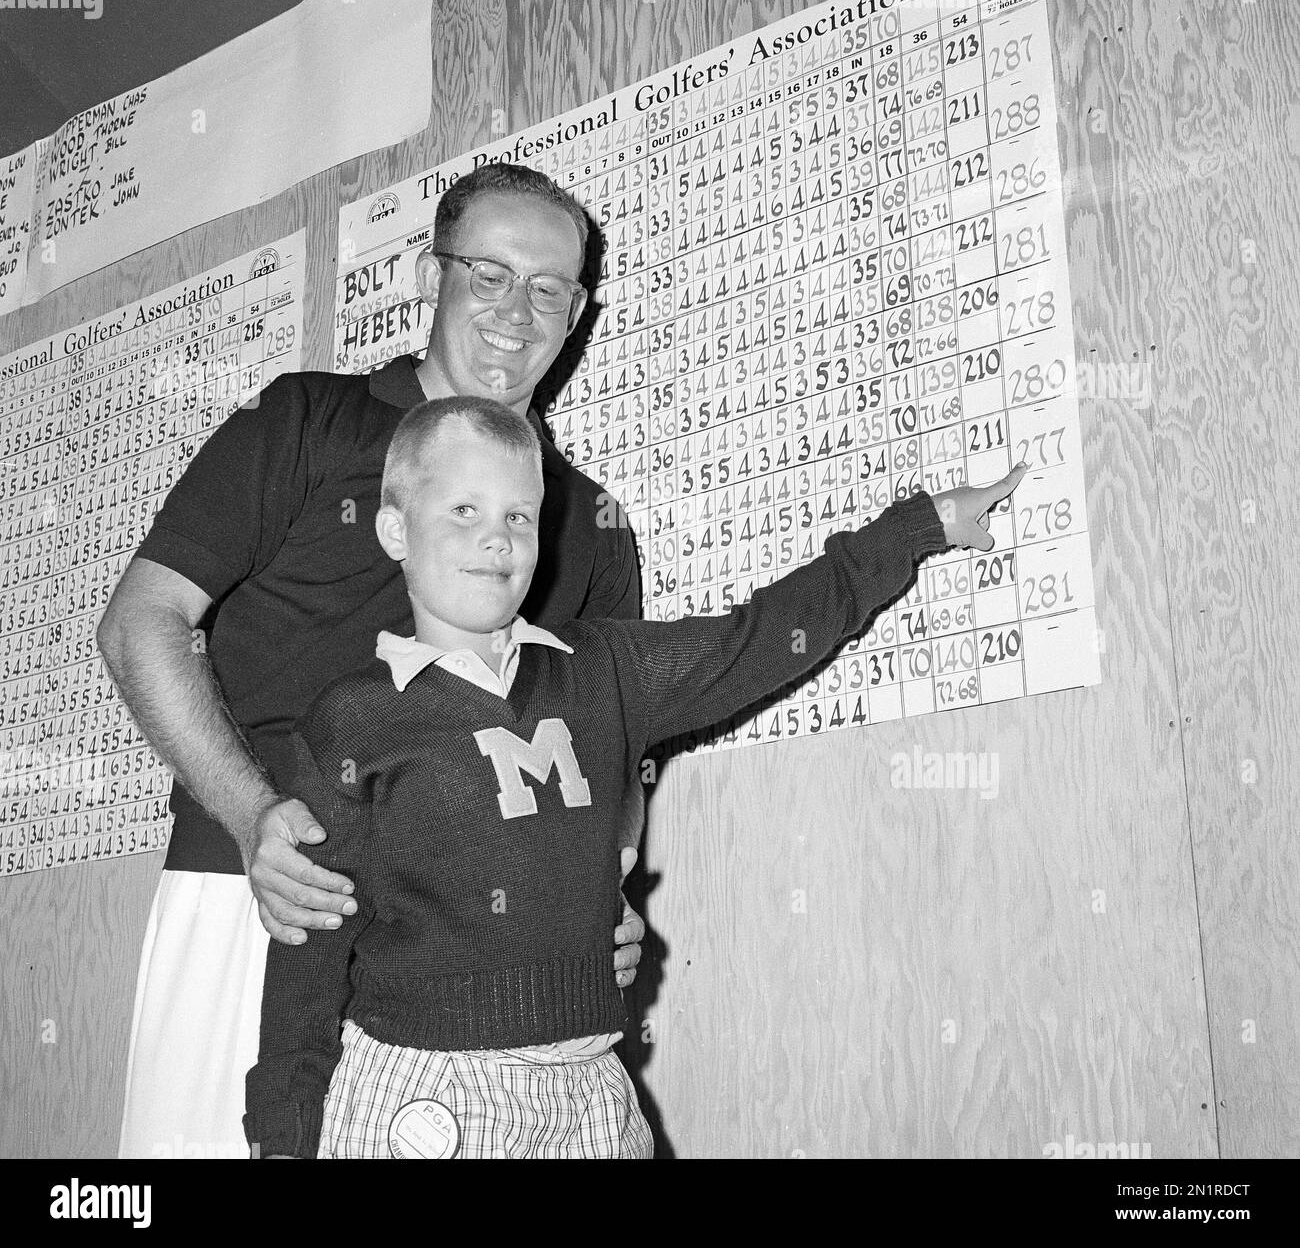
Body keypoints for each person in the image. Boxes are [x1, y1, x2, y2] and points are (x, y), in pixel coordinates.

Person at [243, 393, 1026, 1159]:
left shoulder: (603, 669)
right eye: (463, 511)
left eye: (519, 515)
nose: (498, 539)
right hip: (422, 1099)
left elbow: (756, 639)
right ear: (394, 530)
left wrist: (919, 527)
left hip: (590, 1092)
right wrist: (281, 1136)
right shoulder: (351, 720)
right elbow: (307, 948)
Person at [98, 164, 647, 1159]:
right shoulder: (306, 422)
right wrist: (255, 816)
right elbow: (143, 622)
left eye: (551, 290)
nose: (517, 312)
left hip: (476, 968)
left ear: (577, 314)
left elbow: (613, 746)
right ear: (426, 276)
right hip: (257, 897)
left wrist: (601, 888)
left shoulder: (592, 529)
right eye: (489, 273)